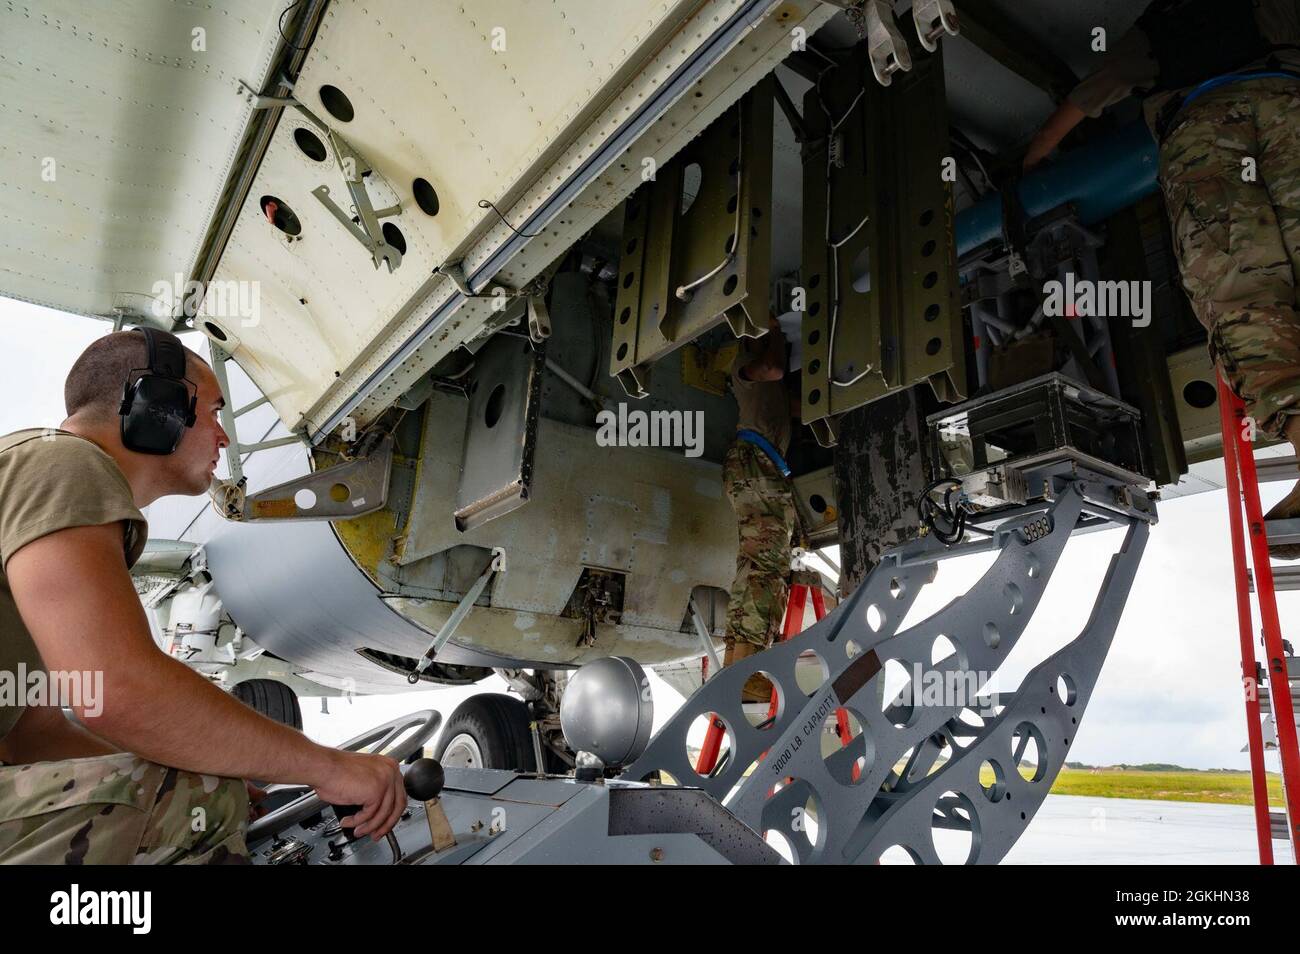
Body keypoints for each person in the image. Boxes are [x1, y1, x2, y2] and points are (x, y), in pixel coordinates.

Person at [0, 328, 405, 863]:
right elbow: (120, 691)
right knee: (207, 801)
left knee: (204, 790)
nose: (225, 437)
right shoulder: (64, 465)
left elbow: (32, 736)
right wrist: (328, 767)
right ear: (157, 407)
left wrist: (203, 765)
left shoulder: (42, 471)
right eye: (214, 411)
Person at [1024, 0, 1300, 557]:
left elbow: (1088, 97)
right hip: (1290, 108)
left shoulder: (1164, 22)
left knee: (1243, 298)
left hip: (1208, 134)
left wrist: (1031, 162)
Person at [724, 316, 797, 701]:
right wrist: (777, 330)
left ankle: (736, 664)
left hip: (754, 467)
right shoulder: (747, 370)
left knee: (753, 564)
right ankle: (749, 670)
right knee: (767, 566)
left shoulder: (769, 394)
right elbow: (774, 366)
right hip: (755, 464)